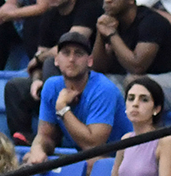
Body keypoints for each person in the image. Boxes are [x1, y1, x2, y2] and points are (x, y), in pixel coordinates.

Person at [5, 0, 103, 141]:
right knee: (15, 87)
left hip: (87, 77)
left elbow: (72, 44)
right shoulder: (49, 16)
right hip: (58, 79)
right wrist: (36, 80)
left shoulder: (88, 6)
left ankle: (51, 136)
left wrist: (41, 58)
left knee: (51, 63)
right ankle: (23, 138)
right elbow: (38, 60)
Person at [22, 32, 128, 165]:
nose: (71, 59)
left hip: (124, 159)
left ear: (89, 61)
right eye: (66, 53)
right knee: (29, 160)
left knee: (91, 164)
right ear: (56, 60)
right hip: (90, 158)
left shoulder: (103, 89)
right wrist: (38, 148)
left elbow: (94, 148)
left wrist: (62, 108)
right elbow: (45, 136)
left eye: (78, 54)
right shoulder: (51, 86)